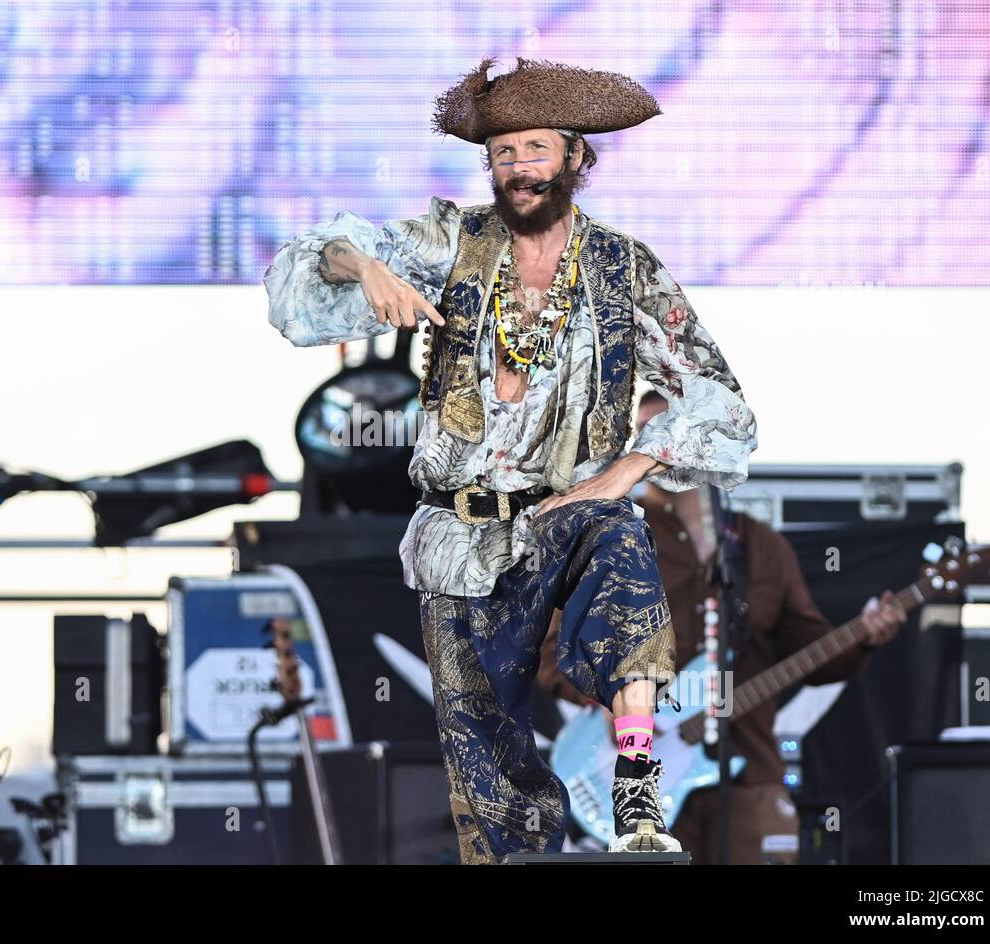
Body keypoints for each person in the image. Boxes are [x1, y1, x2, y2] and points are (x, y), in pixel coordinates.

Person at [263, 57, 758, 863]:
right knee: (493, 786)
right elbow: (300, 272)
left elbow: (723, 401)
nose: (519, 168)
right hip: (460, 538)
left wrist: (629, 467)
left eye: (534, 149)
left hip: (569, 512)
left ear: (573, 156)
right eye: (502, 154)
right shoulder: (453, 243)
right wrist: (366, 266)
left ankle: (637, 786)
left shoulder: (622, 268)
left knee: (618, 542)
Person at [537, 390, 906, 863]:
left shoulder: (759, 546)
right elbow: (551, 649)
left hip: (748, 774)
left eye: (675, 432)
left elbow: (809, 652)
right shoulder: (608, 540)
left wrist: (864, 637)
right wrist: (607, 702)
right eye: (650, 435)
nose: (664, 447)